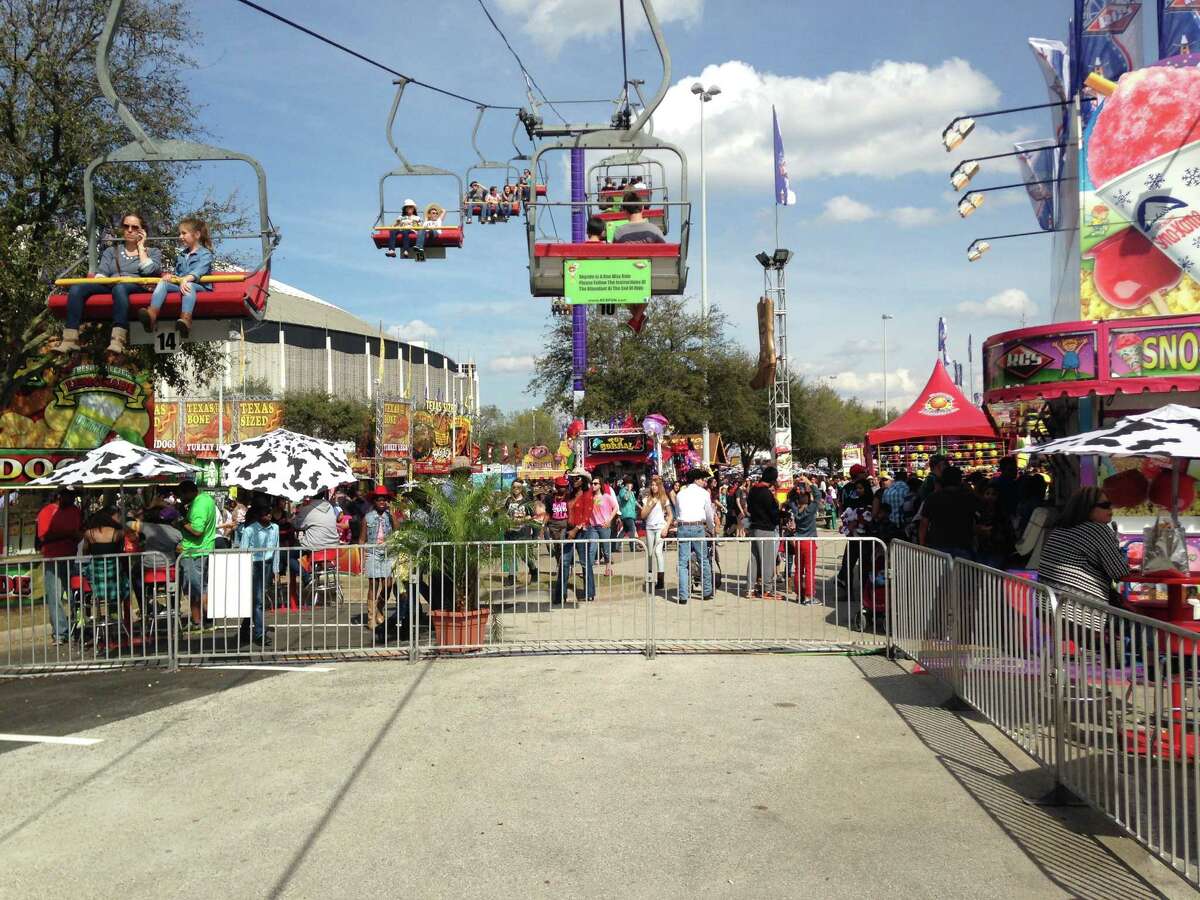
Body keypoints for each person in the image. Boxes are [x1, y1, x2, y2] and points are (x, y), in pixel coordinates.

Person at [58, 212, 162, 355]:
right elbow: (102, 274)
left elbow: (150, 270)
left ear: (142, 231)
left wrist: (141, 247)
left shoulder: (153, 252)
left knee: (120, 288)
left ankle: (118, 339)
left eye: (134, 227)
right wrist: (100, 281)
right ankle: (70, 340)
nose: (130, 230)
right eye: (126, 226)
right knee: (77, 288)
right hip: (112, 285)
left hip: (137, 286)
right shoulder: (111, 251)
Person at [1037, 486, 1128, 609]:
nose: (1111, 508)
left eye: (1111, 504)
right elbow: (1120, 572)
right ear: (1088, 508)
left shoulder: (1059, 530)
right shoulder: (1098, 530)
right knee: (1143, 625)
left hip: (1047, 608)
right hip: (1079, 613)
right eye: (1105, 505)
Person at [137, 217, 214, 339]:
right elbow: (179, 275)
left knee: (188, 285)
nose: (180, 236)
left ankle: (186, 319)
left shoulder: (205, 254)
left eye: (184, 233)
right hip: (182, 285)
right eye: (180, 233)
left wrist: (186, 279)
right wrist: (172, 277)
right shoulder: (182, 255)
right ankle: (151, 315)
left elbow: (199, 271)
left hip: (199, 287)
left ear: (197, 235)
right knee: (163, 282)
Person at [37, 488, 83, 645]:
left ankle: (76, 629)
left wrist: (75, 536)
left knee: (74, 595)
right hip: (53, 558)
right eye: (69, 495)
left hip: (72, 557)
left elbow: (77, 531)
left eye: (73, 496)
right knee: (55, 596)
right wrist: (67, 534)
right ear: (59, 496)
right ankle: (60, 633)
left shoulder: (75, 511)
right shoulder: (46, 511)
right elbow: (44, 535)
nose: (71, 499)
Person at [918, 466, 980, 560]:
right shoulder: (969, 496)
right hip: (963, 543)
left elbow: (924, 523)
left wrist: (922, 545)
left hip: (938, 544)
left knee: (939, 573)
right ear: (959, 480)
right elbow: (976, 519)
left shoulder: (933, 497)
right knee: (963, 573)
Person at [177, 481, 217, 629]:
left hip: (194, 551)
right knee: (202, 586)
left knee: (195, 587)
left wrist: (181, 522)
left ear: (189, 492)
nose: (181, 499)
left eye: (182, 495)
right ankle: (205, 619)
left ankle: (198, 621)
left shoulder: (199, 505)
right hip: (202, 549)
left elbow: (197, 530)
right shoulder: (206, 499)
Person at [237, 504, 278, 647]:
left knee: (257, 600)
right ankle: (259, 633)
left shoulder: (275, 528)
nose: (269, 516)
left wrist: (276, 569)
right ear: (258, 515)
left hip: (267, 564)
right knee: (258, 600)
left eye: (269, 513)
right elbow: (243, 551)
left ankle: (244, 629)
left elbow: (276, 549)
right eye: (265, 513)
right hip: (253, 565)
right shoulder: (249, 530)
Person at [357, 486, 396, 629]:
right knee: (374, 583)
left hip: (387, 552)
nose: (382, 502)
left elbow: (398, 530)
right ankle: (371, 617)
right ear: (374, 501)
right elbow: (361, 539)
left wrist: (392, 514)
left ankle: (380, 607)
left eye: (384, 499)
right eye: (379, 499)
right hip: (372, 551)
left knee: (389, 584)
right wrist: (362, 558)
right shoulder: (367, 518)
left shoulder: (389, 516)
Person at [675, 468, 714, 603]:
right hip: (698, 526)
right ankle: (707, 591)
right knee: (703, 559)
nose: (704, 482)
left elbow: (677, 512)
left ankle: (683, 595)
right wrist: (711, 527)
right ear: (696, 480)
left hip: (683, 526)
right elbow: (709, 514)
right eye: (702, 479)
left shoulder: (680, 494)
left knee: (682, 562)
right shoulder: (704, 494)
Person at [746, 466, 781, 599]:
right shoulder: (766, 493)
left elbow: (749, 507)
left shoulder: (753, 490)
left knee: (754, 559)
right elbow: (773, 512)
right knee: (767, 560)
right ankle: (767, 589)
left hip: (754, 527)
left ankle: (750, 589)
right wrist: (780, 516)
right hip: (766, 528)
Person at [641, 474, 674, 593]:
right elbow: (643, 515)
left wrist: (666, 527)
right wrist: (650, 505)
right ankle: (650, 578)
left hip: (660, 527)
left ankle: (660, 580)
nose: (654, 487)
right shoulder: (647, 499)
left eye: (656, 485)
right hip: (649, 528)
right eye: (652, 485)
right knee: (649, 553)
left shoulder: (664, 499)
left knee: (657, 551)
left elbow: (670, 515)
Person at [788, 483, 820, 603]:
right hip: (809, 541)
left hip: (799, 541)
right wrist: (810, 484)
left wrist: (796, 489)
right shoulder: (810, 509)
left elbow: (790, 498)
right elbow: (818, 495)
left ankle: (798, 594)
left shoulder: (796, 509)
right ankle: (809, 596)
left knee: (798, 569)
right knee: (809, 570)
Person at [503, 482, 538, 584]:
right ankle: (511, 577)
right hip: (511, 532)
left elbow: (533, 516)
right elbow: (505, 513)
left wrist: (525, 519)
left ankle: (534, 570)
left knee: (525, 556)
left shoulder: (527, 501)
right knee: (511, 555)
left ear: (522, 488)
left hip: (523, 533)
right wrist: (507, 519)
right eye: (514, 487)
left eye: (518, 487)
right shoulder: (509, 500)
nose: (516, 489)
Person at [588, 476, 619, 575]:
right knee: (592, 548)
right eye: (592, 483)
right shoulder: (590, 497)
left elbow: (616, 507)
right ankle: (589, 570)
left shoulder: (606, 497)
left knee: (606, 549)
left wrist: (609, 519)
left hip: (604, 526)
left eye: (595, 483)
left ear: (600, 485)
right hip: (593, 527)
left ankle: (608, 569)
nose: (593, 485)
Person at [617, 476, 639, 551]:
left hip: (631, 514)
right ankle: (632, 547)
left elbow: (635, 501)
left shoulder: (631, 492)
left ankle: (616, 546)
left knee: (625, 530)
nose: (632, 485)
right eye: (630, 483)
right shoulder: (622, 491)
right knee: (632, 530)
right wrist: (629, 490)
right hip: (626, 514)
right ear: (627, 484)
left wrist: (641, 507)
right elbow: (626, 498)